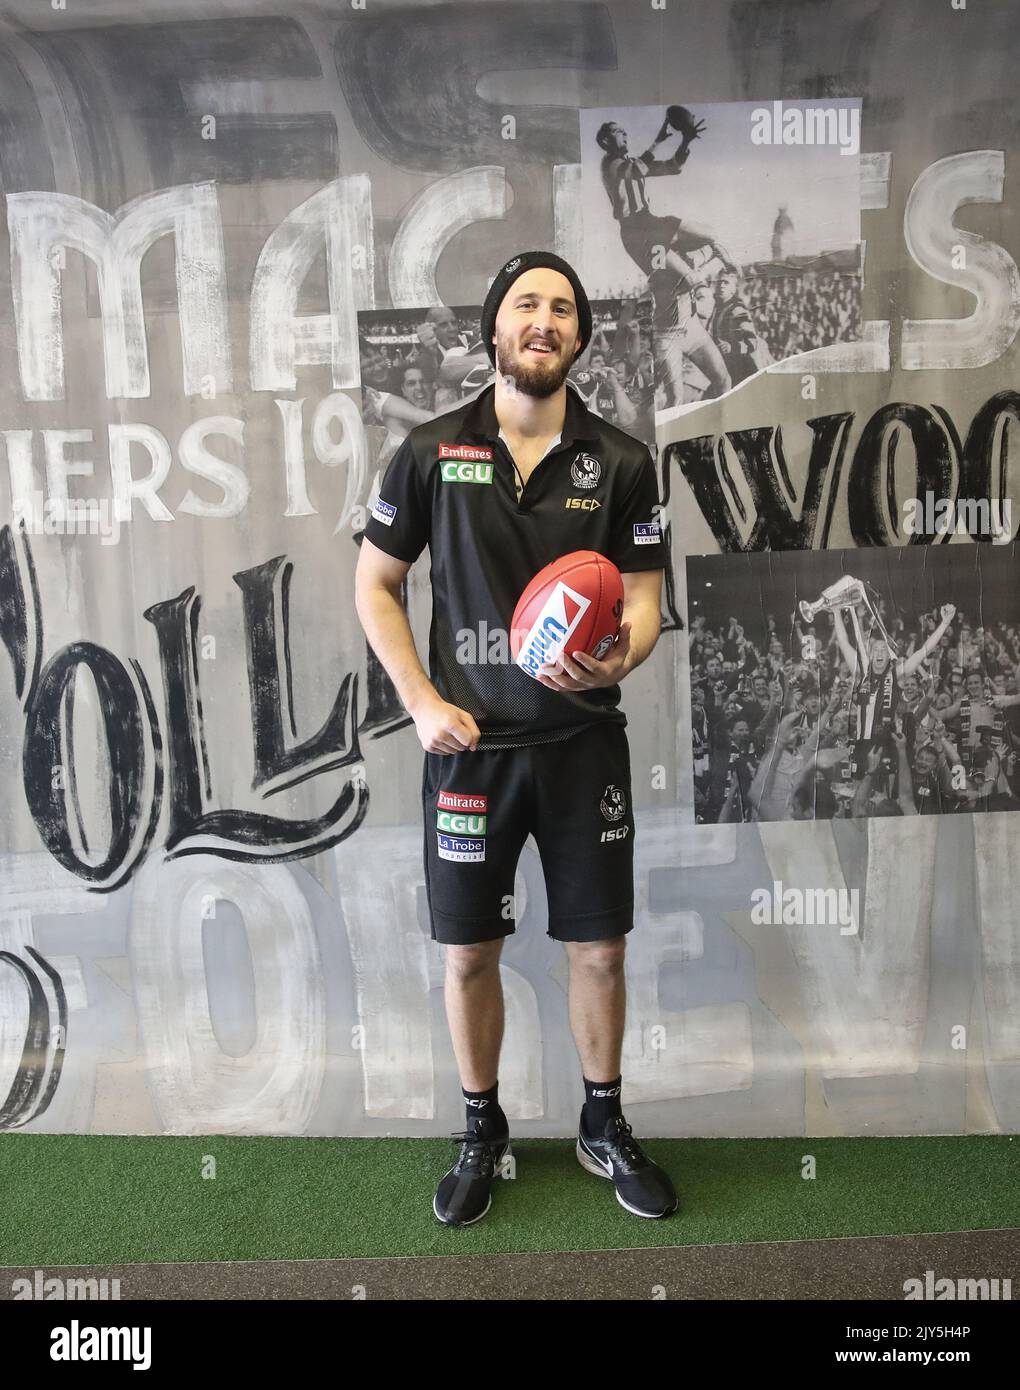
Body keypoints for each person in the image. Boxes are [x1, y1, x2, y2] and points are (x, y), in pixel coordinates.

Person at [355, 251, 676, 1227]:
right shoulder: (428, 452)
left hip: (582, 747)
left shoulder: (620, 461)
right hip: (468, 755)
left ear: (580, 338)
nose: (544, 319)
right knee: (468, 956)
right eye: (525, 304)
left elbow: (651, 604)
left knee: (601, 952)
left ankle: (603, 1122)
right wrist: (417, 699)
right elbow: (375, 582)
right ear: (494, 329)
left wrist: (617, 657)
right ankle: (480, 1127)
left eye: (563, 309)